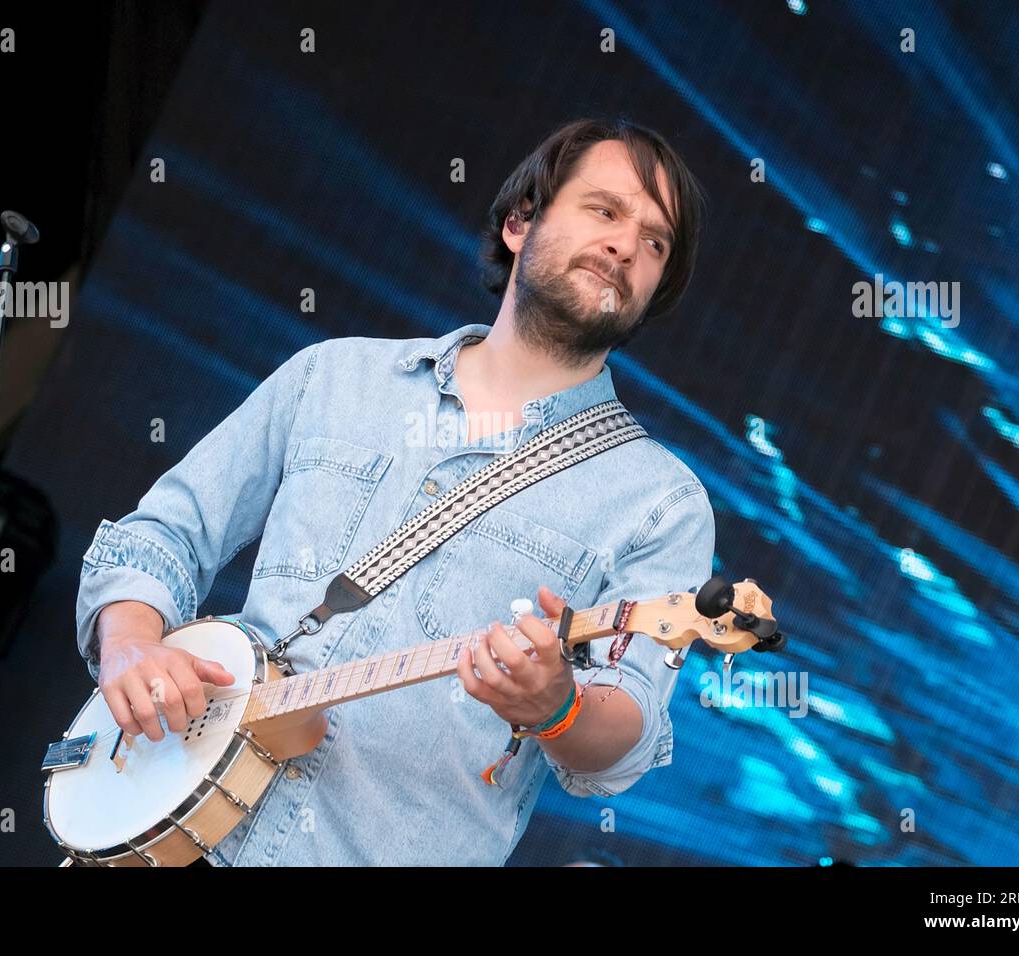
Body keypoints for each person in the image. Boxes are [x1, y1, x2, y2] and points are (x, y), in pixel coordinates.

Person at [75, 116, 713, 865]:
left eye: (656, 241)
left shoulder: (661, 502)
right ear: (519, 223)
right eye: (605, 210)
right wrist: (128, 647)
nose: (626, 245)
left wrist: (559, 705)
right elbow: (160, 537)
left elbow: (622, 736)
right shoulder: (333, 376)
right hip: (164, 833)